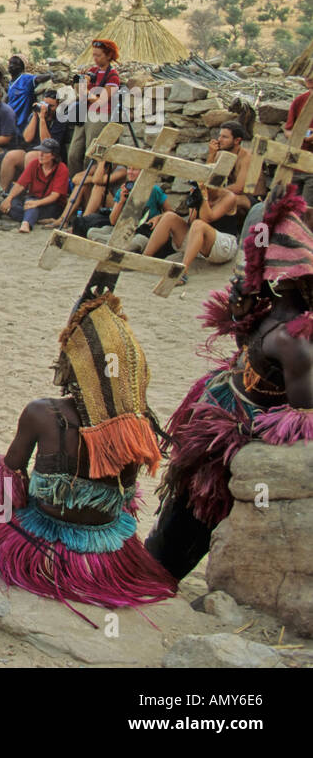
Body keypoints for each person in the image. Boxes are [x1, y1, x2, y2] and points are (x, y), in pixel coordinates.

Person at [0, 295, 177, 611]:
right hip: (106, 554)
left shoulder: (42, 413)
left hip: (40, 547)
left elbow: (9, 480)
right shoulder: (140, 425)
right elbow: (125, 500)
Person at [147, 185, 313, 579]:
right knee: (186, 512)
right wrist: (241, 310)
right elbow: (299, 415)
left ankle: (159, 571)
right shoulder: (283, 321)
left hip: (226, 426)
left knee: (191, 515)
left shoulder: (289, 329)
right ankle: (156, 569)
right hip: (223, 423)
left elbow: (299, 412)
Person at [141, 121, 252, 286]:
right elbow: (191, 221)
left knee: (200, 225)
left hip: (221, 245)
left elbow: (207, 219)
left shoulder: (228, 196)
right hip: (199, 242)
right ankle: (143, 260)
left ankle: (182, 273)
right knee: (170, 216)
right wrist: (196, 200)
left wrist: (205, 197)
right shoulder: (203, 189)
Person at [67, 38, 122, 176]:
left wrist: (85, 90)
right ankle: (75, 184)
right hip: (85, 114)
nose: (95, 59)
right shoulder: (92, 71)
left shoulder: (113, 76)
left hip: (100, 115)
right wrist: (80, 83)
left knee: (89, 156)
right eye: (94, 55)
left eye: (99, 55)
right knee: (73, 154)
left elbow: (101, 100)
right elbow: (79, 94)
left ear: (109, 56)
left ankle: (87, 188)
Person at [0, 89, 70, 189]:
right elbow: (27, 138)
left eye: (51, 106)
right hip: (32, 149)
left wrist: (42, 119)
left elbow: (46, 143)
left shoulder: (60, 119)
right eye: (46, 104)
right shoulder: (36, 115)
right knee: (11, 156)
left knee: (30, 156)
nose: (48, 108)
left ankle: (31, 192)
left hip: (51, 154)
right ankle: (2, 191)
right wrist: (35, 116)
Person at [0, 137, 69, 233]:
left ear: (54, 155)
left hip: (52, 205)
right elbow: (20, 184)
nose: (41, 155)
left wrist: (36, 203)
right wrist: (9, 198)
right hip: (33, 200)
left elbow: (55, 196)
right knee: (8, 205)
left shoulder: (62, 168)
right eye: (40, 151)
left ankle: (26, 223)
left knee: (30, 204)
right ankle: (34, 218)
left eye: (45, 152)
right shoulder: (34, 164)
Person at [4, 54, 40, 126]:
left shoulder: (25, 79)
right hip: (10, 120)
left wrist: (52, 75)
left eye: (15, 64)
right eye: (10, 63)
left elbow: (38, 78)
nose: (11, 66)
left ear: (22, 67)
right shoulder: (11, 82)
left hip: (21, 122)